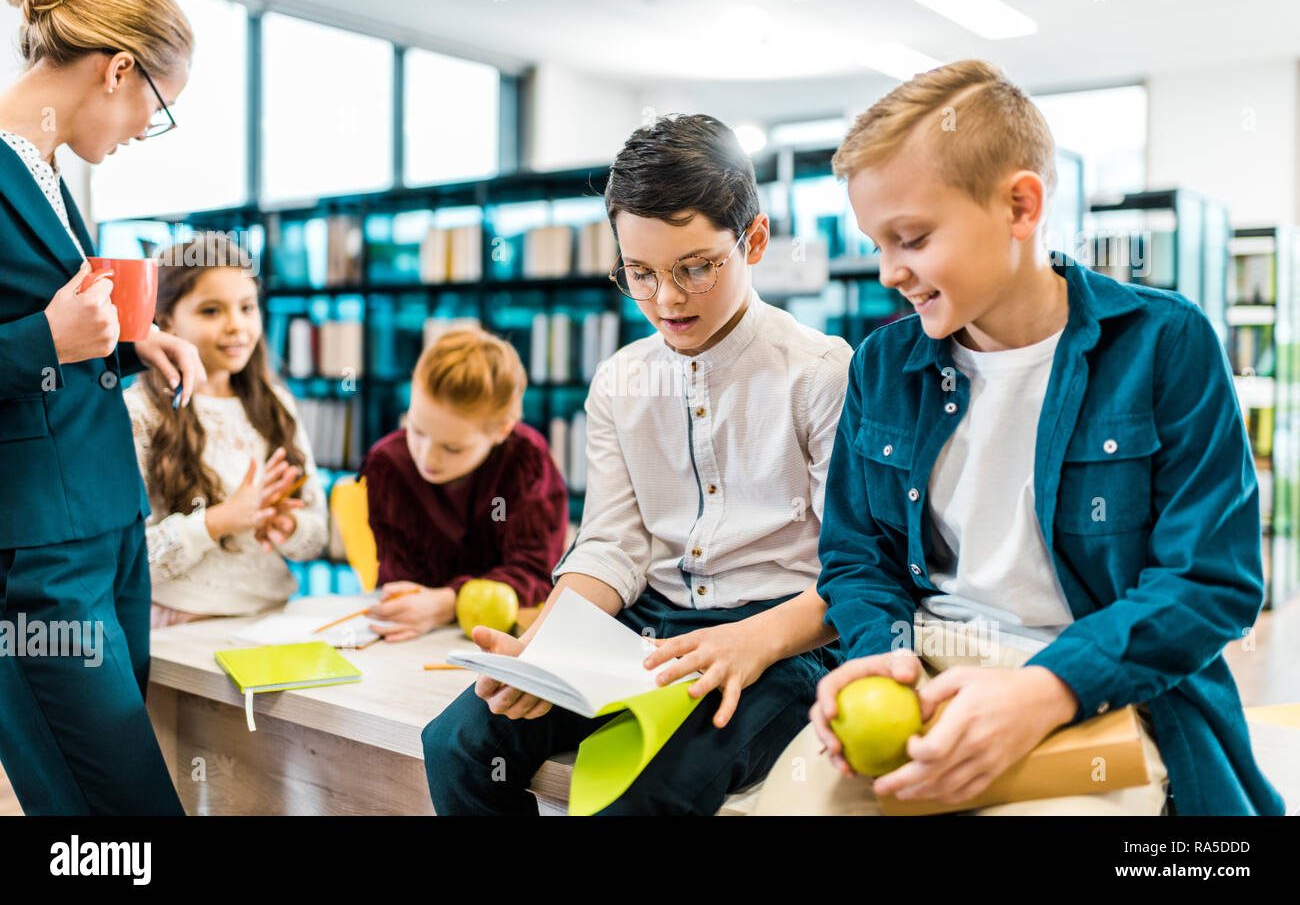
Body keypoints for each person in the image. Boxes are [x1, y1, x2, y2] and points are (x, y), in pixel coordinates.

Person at [754, 60, 1285, 816]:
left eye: (911, 238)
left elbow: (1209, 582)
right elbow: (856, 556)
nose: (887, 271)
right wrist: (877, 662)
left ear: (1020, 205)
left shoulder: (1166, 344)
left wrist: (1043, 691)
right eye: (877, 242)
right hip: (926, 668)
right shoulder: (883, 362)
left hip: (1100, 682)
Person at [421, 115, 851, 815]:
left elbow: (853, 570)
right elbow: (614, 546)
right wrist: (541, 645)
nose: (667, 300)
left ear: (756, 241)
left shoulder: (822, 375)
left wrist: (752, 640)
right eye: (640, 273)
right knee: (458, 745)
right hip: (650, 627)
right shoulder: (619, 381)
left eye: (696, 267)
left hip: (782, 641)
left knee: (648, 796)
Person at [0, 0, 202, 814]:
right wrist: (44, 338)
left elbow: (54, 342)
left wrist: (130, 344)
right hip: (41, 551)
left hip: (110, 528)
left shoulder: (47, 175)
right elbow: (38, 334)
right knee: (123, 813)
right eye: (154, 111)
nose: (139, 130)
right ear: (118, 68)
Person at [124, 234, 330, 625]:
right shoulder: (139, 412)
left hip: (271, 620)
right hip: (182, 625)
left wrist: (287, 525)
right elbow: (129, 561)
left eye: (247, 308)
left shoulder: (276, 403)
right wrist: (219, 521)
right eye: (211, 311)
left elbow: (318, 534)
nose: (237, 326)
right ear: (165, 322)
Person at [360, 327, 567, 642]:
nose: (427, 457)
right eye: (415, 430)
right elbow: (402, 583)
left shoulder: (525, 459)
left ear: (501, 431)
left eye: (452, 448)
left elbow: (536, 571)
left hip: (504, 637)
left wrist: (447, 602)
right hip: (412, 638)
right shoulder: (388, 465)